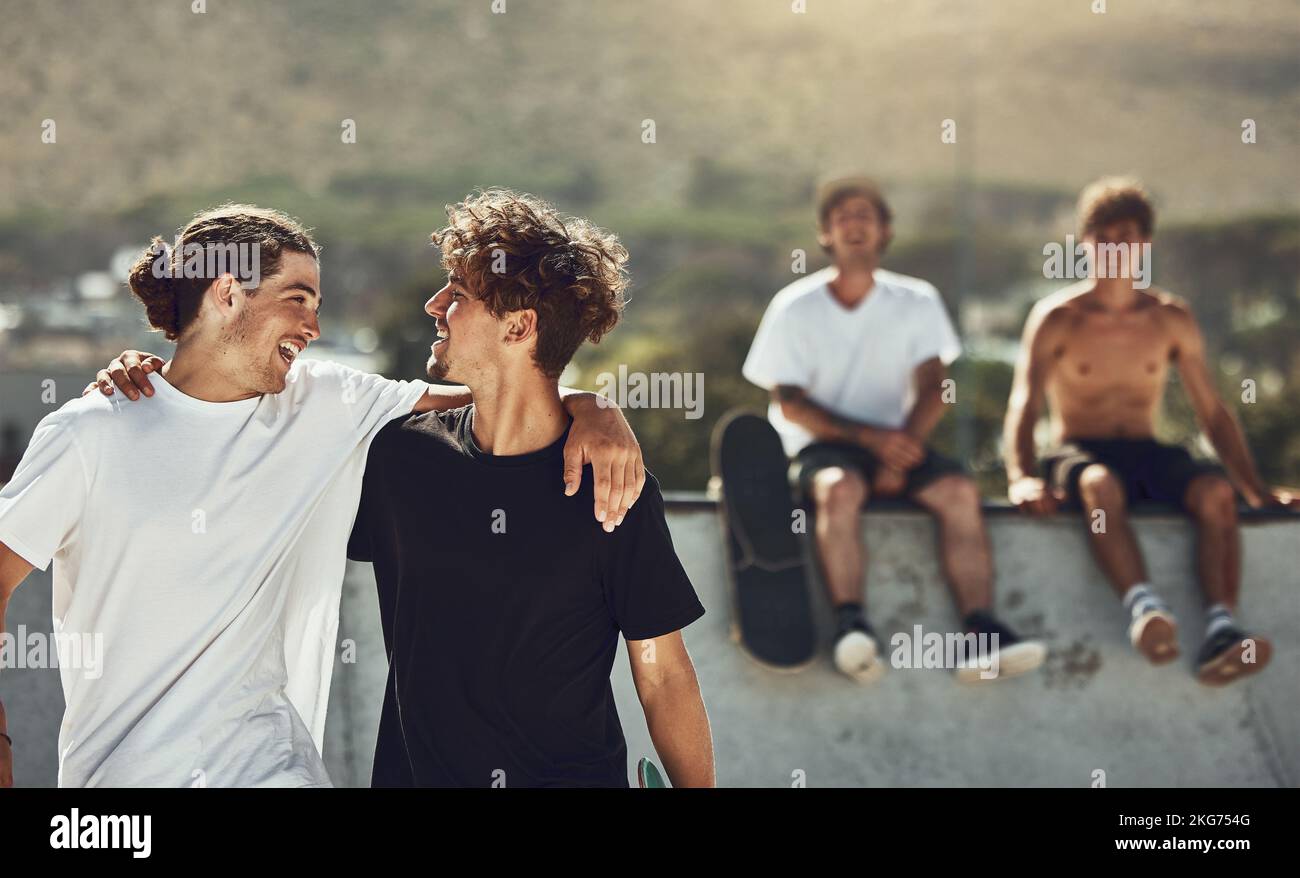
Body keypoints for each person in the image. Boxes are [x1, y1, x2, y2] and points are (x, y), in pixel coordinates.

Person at [0, 203, 643, 788]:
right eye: (298, 299)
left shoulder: (324, 401)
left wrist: (595, 407)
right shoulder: (92, 432)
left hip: (274, 772)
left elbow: (502, 389)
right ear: (227, 292)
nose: (313, 325)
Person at [350, 189, 713, 787]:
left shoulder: (613, 488)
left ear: (519, 327)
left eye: (459, 295)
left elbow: (661, 671)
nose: (434, 304)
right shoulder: (400, 459)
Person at [743, 176, 1044, 685]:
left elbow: (935, 388)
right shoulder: (794, 307)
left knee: (958, 491)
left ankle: (981, 632)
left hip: (899, 441)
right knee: (839, 490)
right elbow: (790, 404)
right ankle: (850, 627)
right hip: (825, 448)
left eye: (866, 216)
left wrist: (897, 449)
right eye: (843, 218)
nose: (854, 224)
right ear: (826, 235)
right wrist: (870, 442)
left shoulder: (918, 300)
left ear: (885, 232)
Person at [1004, 177, 1295, 685]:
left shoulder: (1170, 317)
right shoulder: (1057, 318)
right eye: (1104, 237)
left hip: (1145, 448)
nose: (1116, 248)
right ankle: (1144, 609)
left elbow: (1213, 411)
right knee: (1099, 485)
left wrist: (1255, 488)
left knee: (1215, 493)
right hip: (1078, 452)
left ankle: (1222, 630)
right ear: (1085, 244)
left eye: (1128, 237)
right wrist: (1020, 476)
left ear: (1146, 245)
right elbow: (1024, 403)